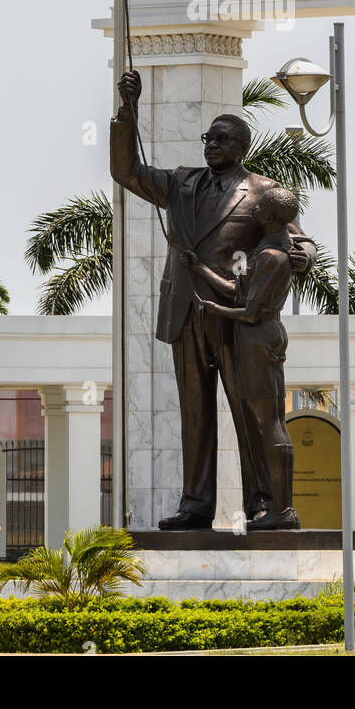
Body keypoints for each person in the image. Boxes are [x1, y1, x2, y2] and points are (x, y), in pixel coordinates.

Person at [110, 68, 315, 528]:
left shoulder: (262, 191)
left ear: (241, 147)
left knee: (250, 412)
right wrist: (128, 112)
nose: (211, 145)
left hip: (236, 317)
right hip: (187, 312)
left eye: (221, 140)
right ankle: (195, 504)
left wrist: (301, 257)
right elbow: (125, 171)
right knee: (195, 414)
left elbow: (297, 240)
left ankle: (263, 503)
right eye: (208, 138)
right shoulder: (182, 183)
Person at [179, 186, 301, 530]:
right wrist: (200, 269)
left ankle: (282, 509)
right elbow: (239, 290)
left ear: (272, 216)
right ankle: (281, 508)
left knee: (269, 422)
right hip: (256, 336)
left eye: (260, 205)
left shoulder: (272, 255)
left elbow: (249, 312)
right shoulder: (266, 250)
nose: (255, 208)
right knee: (266, 419)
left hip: (258, 337)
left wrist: (214, 310)